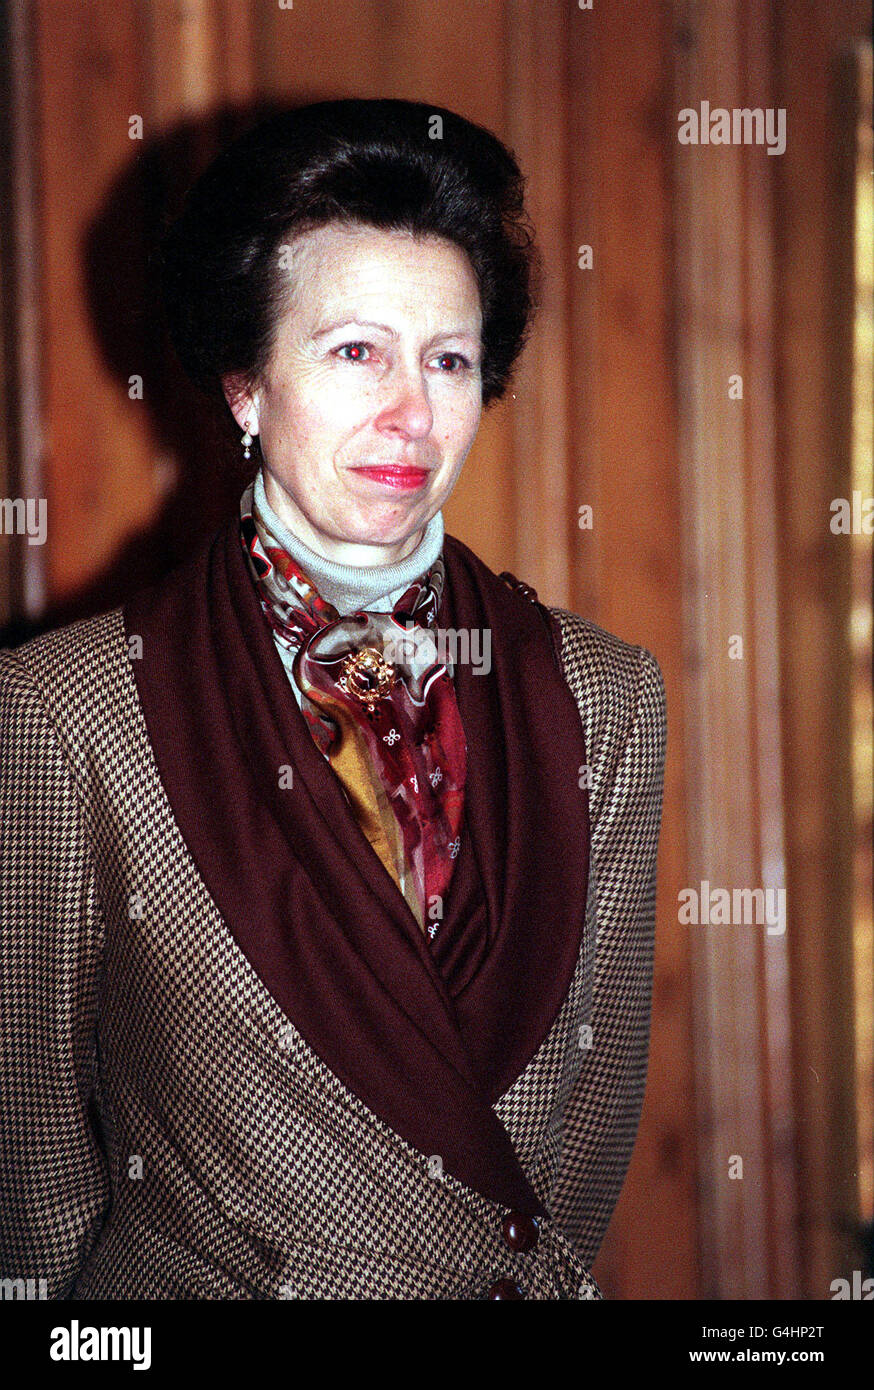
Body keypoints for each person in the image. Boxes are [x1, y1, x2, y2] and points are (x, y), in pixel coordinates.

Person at [0, 98, 666, 1300]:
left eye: (448, 360)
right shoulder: (67, 709)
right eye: (355, 350)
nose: (411, 413)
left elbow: (592, 1100)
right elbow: (31, 1151)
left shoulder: (603, 694)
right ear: (246, 384)